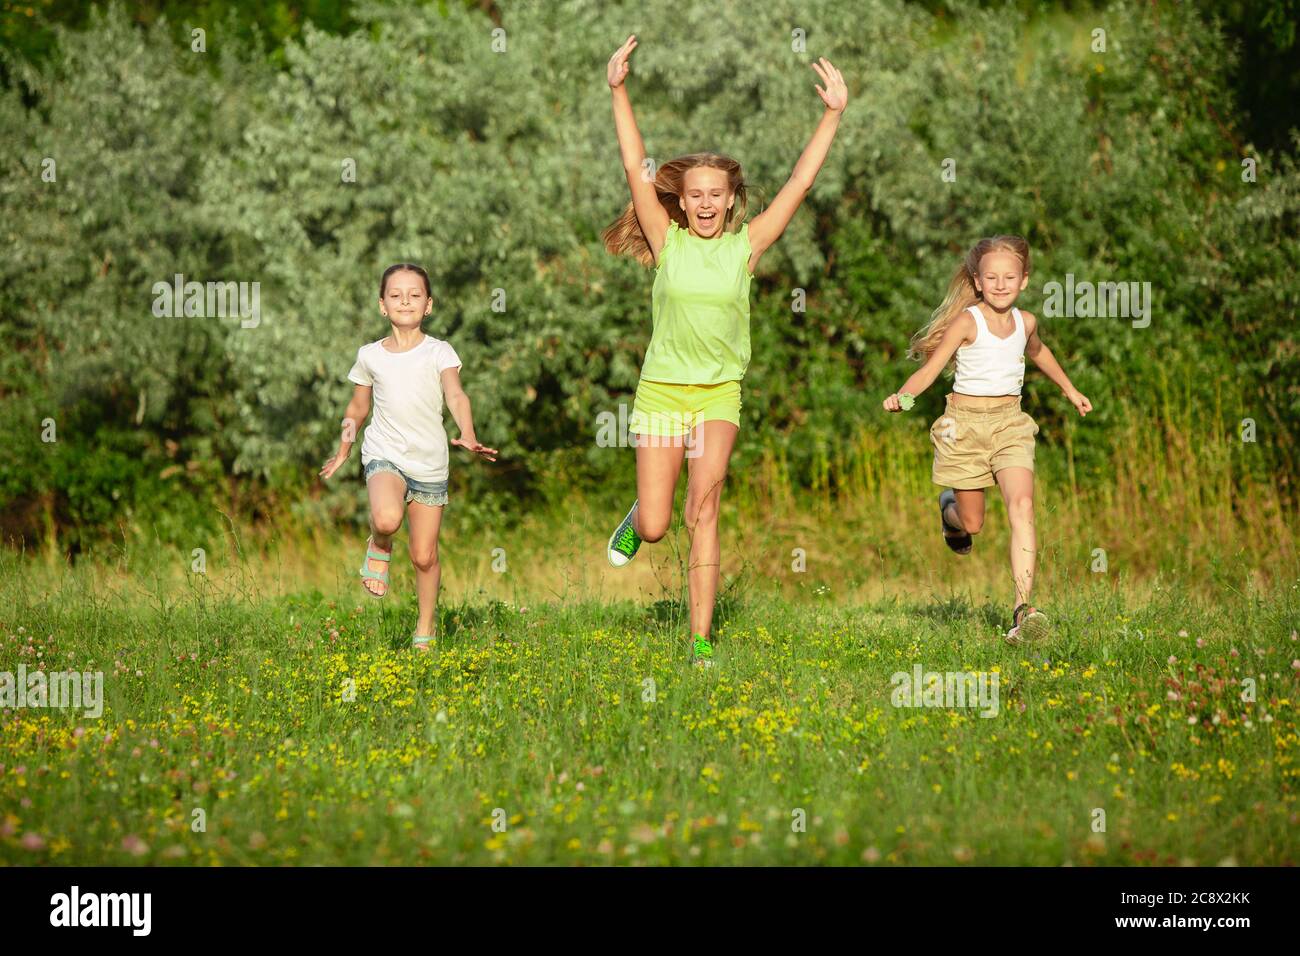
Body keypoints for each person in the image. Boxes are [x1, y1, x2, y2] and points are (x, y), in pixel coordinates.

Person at [601, 34, 848, 665]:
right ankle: (639, 514)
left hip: (717, 395)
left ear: (731, 200)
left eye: (717, 194)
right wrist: (619, 90)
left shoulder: (748, 246)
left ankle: (701, 640)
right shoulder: (667, 243)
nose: (707, 202)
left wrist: (832, 114)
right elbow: (635, 168)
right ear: (680, 202)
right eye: (696, 194)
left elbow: (799, 181)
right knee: (657, 527)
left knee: (702, 511)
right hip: (660, 393)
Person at [882, 236, 1092, 644]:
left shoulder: (1026, 322)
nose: (1000, 284)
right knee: (973, 523)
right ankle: (950, 512)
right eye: (991, 277)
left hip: (1010, 423)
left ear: (1024, 280)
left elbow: (1040, 352)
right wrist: (903, 396)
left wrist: (1069, 389)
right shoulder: (967, 322)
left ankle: (1022, 610)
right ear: (977, 282)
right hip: (963, 426)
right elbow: (931, 368)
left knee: (1023, 504)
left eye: (1009, 277)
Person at [320, 263, 497, 650]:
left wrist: (467, 433)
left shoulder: (440, 352)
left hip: (430, 463)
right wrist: (344, 451)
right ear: (382, 305)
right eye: (396, 295)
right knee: (387, 516)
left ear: (428, 305)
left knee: (423, 555)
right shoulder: (370, 356)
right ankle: (380, 543)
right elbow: (356, 410)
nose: (405, 301)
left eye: (415, 294)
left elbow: (456, 395)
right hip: (385, 454)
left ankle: (425, 627)